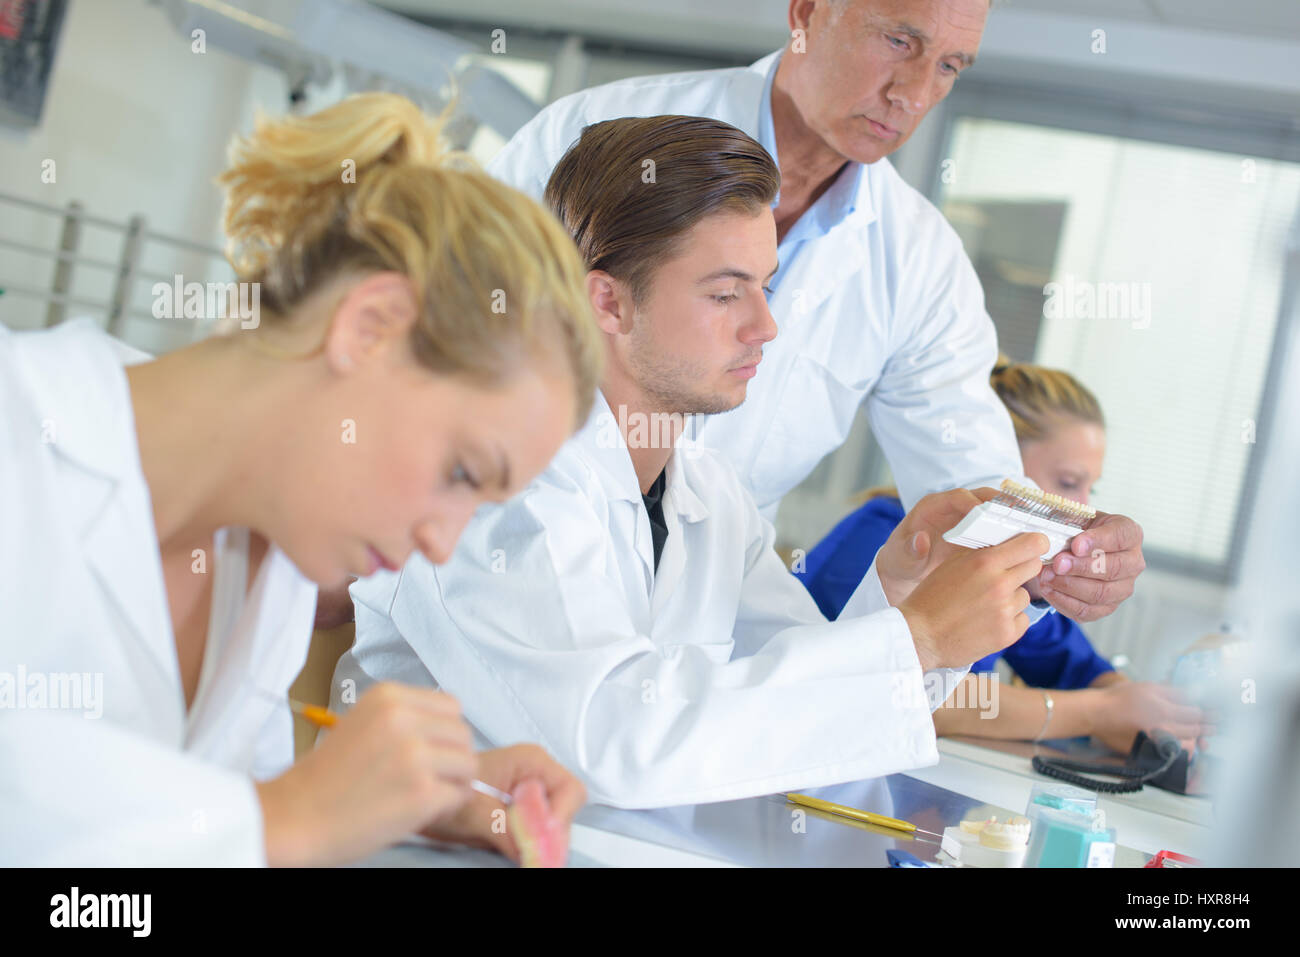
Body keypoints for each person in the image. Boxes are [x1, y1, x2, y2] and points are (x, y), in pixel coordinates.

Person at [336, 115, 1049, 809]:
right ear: (608, 302)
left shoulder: (706, 491)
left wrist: (901, 597)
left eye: (764, 287)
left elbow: (789, 700)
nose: (765, 326)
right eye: (724, 293)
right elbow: (618, 740)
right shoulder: (498, 478)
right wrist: (915, 638)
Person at [0, 93, 598, 865]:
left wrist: (413, 802)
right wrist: (292, 818)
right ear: (370, 327)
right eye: (461, 471)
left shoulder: (271, 560)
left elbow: (190, 810)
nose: (442, 545)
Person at [486, 0, 1147, 625]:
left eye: (948, 65)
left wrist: (1053, 556)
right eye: (898, 40)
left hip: (706, 609)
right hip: (513, 558)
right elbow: (452, 343)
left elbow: (967, 482)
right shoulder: (595, 142)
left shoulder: (918, 261)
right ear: (805, 12)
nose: (913, 94)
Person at [796, 356, 1208, 753]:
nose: (1083, 510)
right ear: (998, 459)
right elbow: (909, 694)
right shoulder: (888, 537)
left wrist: (1158, 715)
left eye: (1090, 491)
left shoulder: (1018, 569)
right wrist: (1096, 714)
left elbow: (1080, 670)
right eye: (1067, 483)